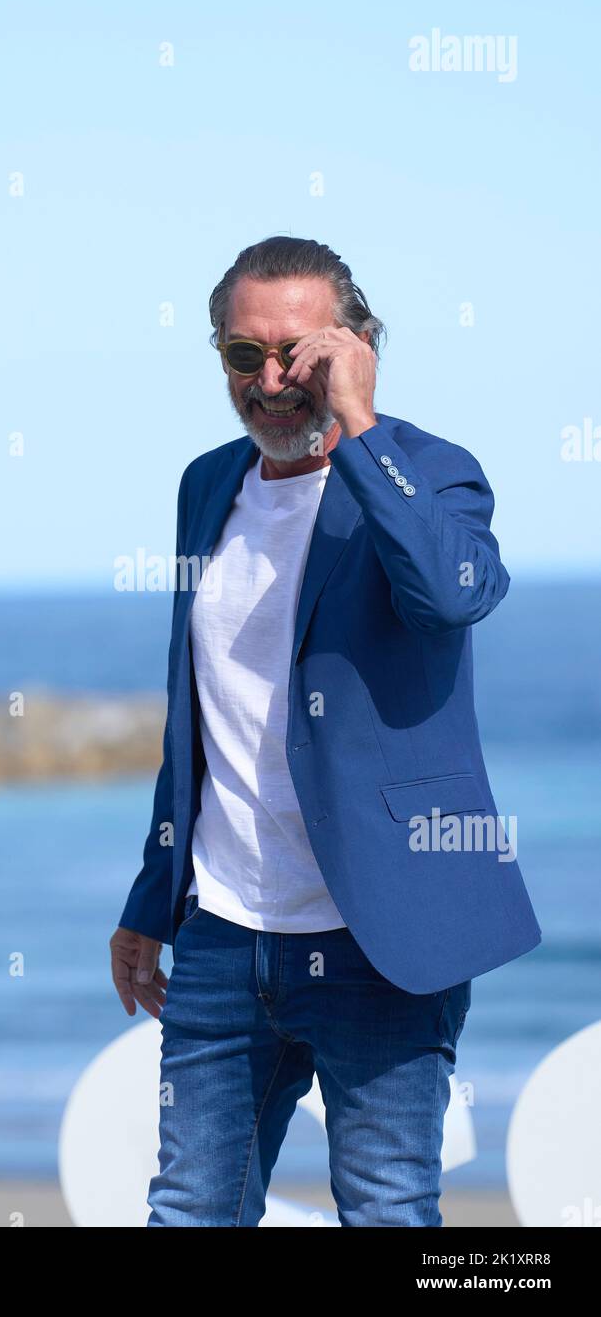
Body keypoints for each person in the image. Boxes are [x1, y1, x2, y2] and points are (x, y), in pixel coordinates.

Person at [109, 236, 541, 1227]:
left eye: (298, 354)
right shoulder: (203, 485)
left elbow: (450, 591)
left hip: (377, 939)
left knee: (387, 1211)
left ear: (355, 347)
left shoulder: (429, 471)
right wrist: (152, 897)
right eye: (241, 356)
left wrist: (358, 427)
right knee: (186, 1211)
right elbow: (202, 720)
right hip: (220, 938)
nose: (270, 381)